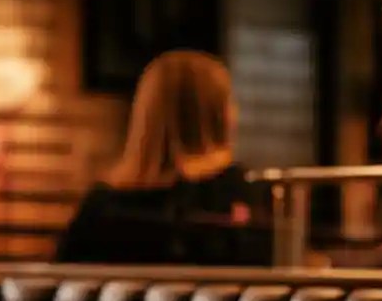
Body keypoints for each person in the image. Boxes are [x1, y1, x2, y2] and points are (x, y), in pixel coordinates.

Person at [54, 50, 256, 264]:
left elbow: (63, 288)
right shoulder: (240, 195)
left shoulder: (101, 207)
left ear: (145, 115)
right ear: (220, 114)